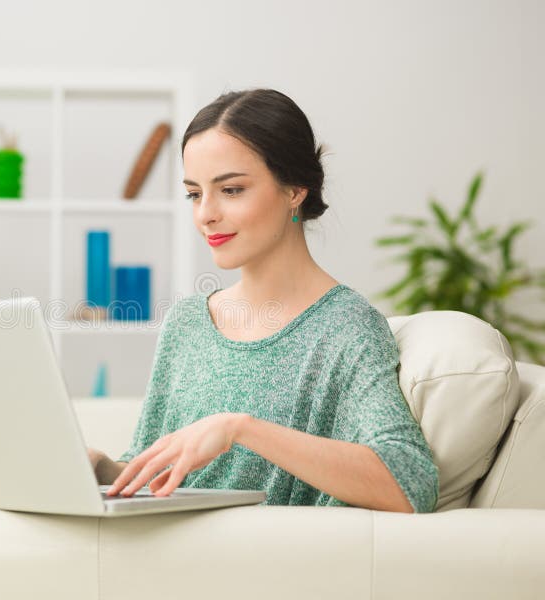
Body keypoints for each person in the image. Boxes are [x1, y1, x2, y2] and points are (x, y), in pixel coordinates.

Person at [88, 88, 440, 513]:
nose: (205, 214)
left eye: (231, 190)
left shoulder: (346, 326)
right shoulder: (187, 322)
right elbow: (154, 471)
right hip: (162, 549)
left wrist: (240, 429)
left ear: (295, 190)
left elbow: (409, 482)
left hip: (263, 554)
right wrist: (102, 469)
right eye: (194, 194)